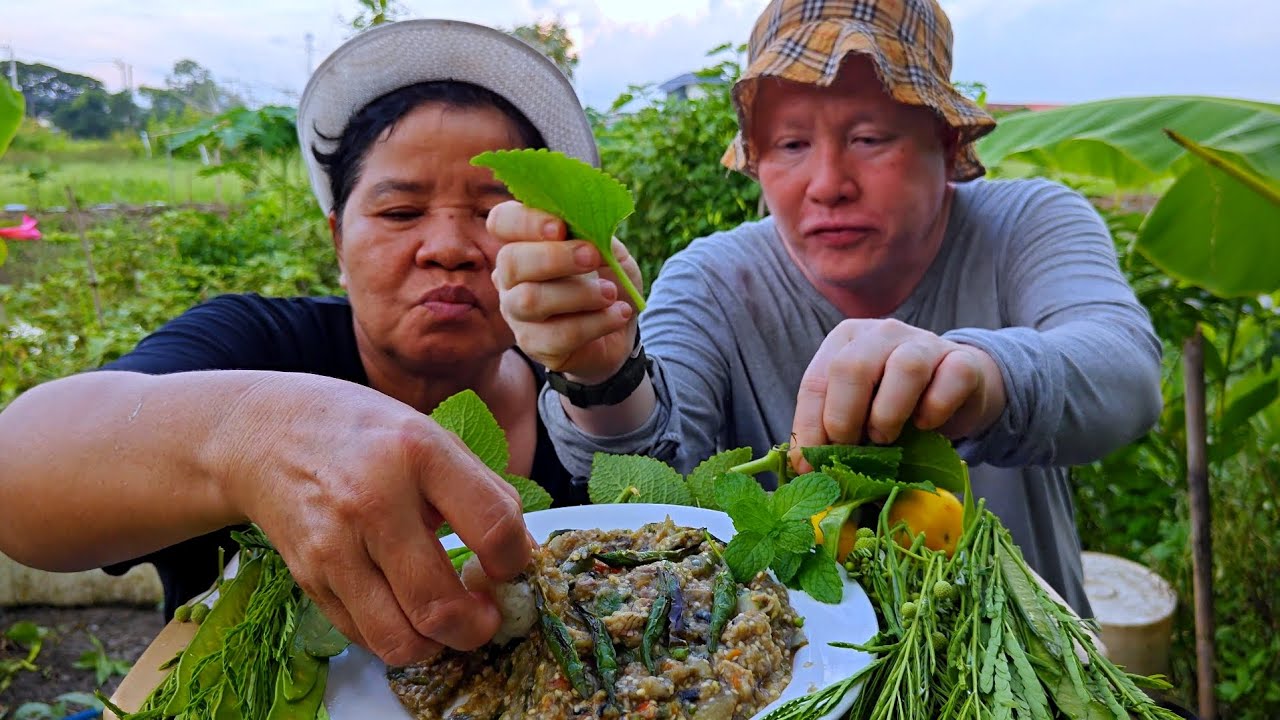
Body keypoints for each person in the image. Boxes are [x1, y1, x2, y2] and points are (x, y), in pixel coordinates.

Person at [489, 0, 1163, 615]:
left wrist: (979, 374)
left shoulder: (1027, 225)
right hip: (805, 683)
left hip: (1027, 670)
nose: (828, 185)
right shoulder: (713, 279)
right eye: (790, 145)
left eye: (870, 138)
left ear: (948, 143)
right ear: (757, 161)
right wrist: (603, 372)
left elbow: (1126, 375)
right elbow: (655, 482)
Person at [0, 19, 599, 666]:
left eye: (490, 213)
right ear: (339, 242)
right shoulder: (256, 346)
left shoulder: (578, 404)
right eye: (400, 213)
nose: (449, 248)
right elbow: (20, 474)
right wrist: (249, 435)